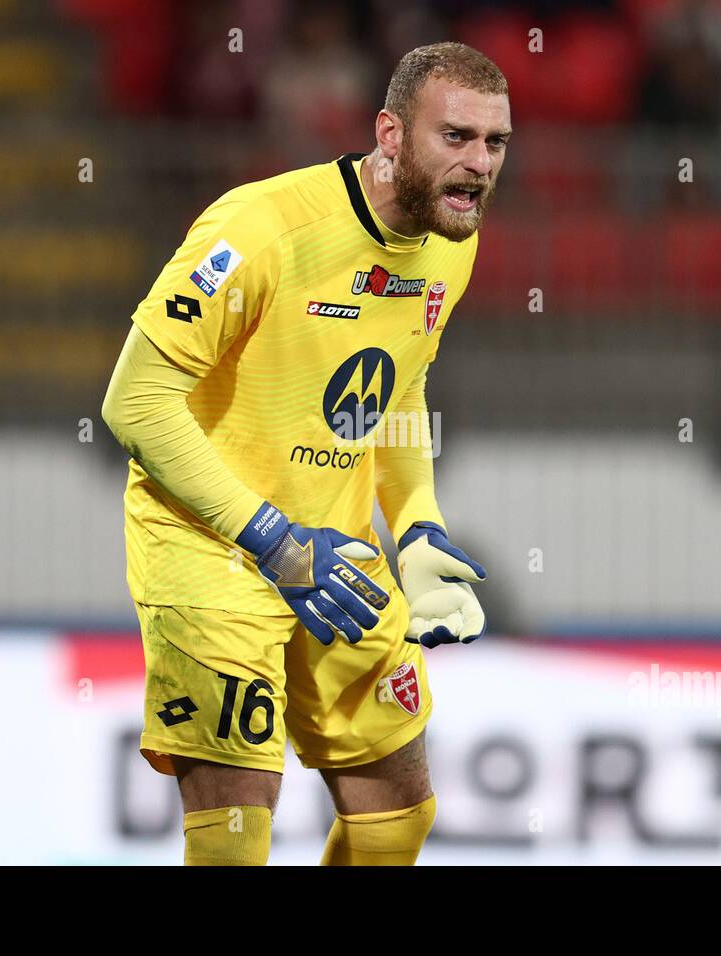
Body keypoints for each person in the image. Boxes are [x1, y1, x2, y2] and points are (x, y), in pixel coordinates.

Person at [101, 41, 510, 866]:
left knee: (398, 817)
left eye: (496, 143)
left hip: (335, 556)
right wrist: (274, 542)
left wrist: (420, 530)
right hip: (210, 551)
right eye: (457, 137)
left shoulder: (449, 243)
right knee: (236, 835)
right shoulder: (259, 229)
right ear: (390, 134)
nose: (479, 165)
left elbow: (400, 387)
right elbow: (133, 401)